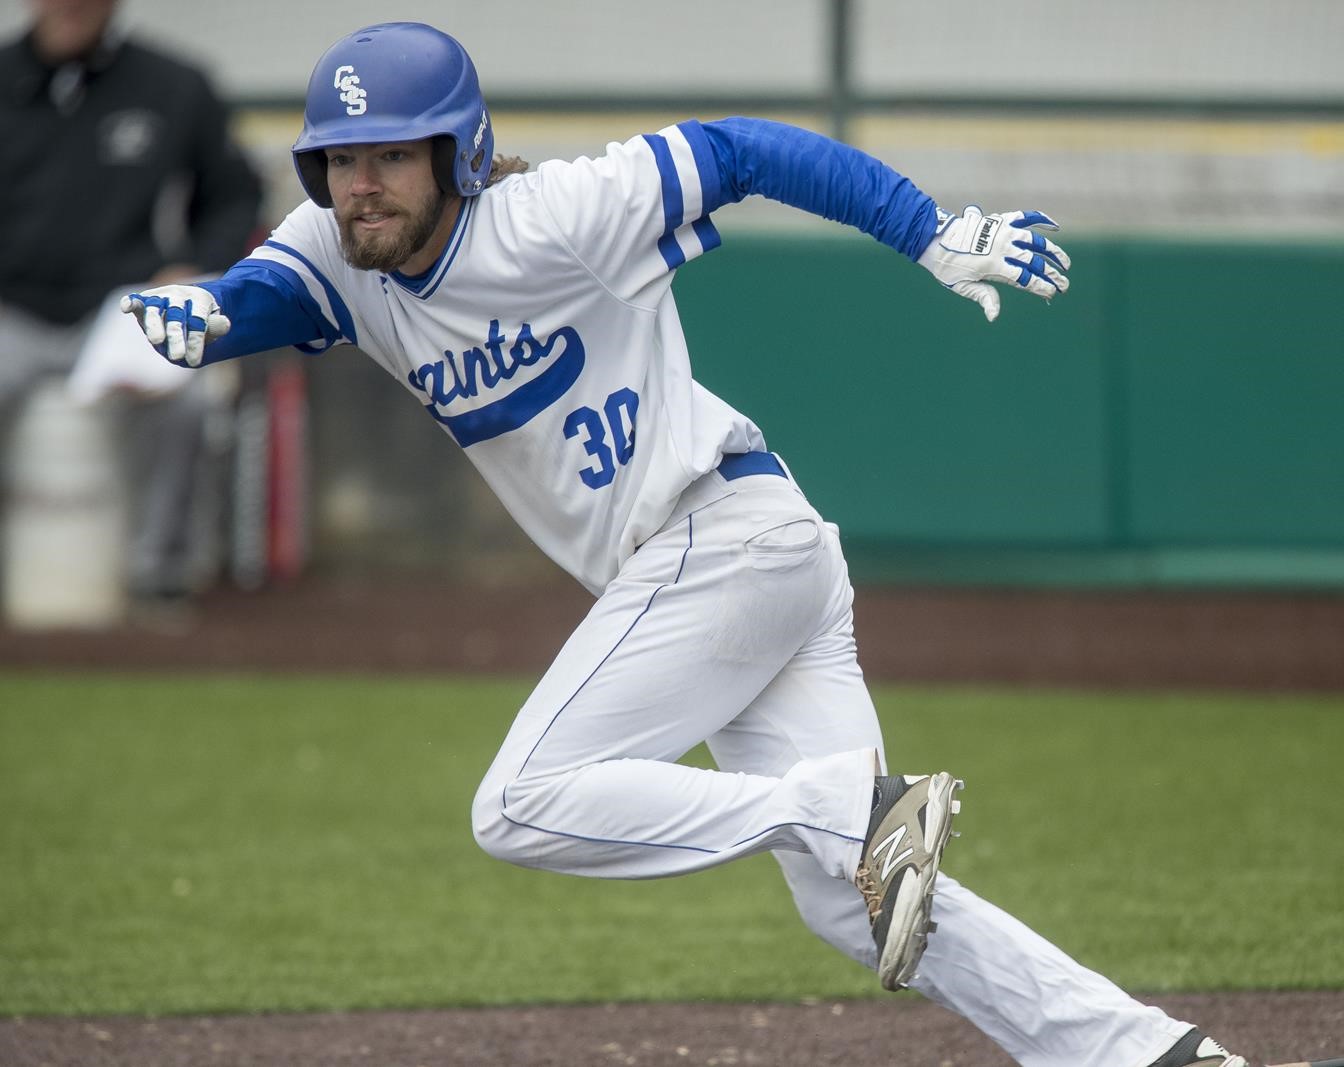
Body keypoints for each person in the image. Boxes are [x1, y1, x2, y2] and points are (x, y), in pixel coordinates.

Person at [123, 22, 1251, 1067]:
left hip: (720, 537)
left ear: (458, 153)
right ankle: (1147, 1051)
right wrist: (211, 313)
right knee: (856, 901)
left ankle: (834, 803)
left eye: (390, 156)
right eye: (340, 158)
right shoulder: (343, 252)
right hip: (744, 560)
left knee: (518, 803)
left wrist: (933, 230)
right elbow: (268, 290)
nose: (359, 182)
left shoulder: (556, 214)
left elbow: (744, 148)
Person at [0, 0, 264, 604]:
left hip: (121, 308)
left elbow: (233, 195)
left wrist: (194, 270)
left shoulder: (172, 83)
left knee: (185, 400)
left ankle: (159, 573)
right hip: (10, 308)